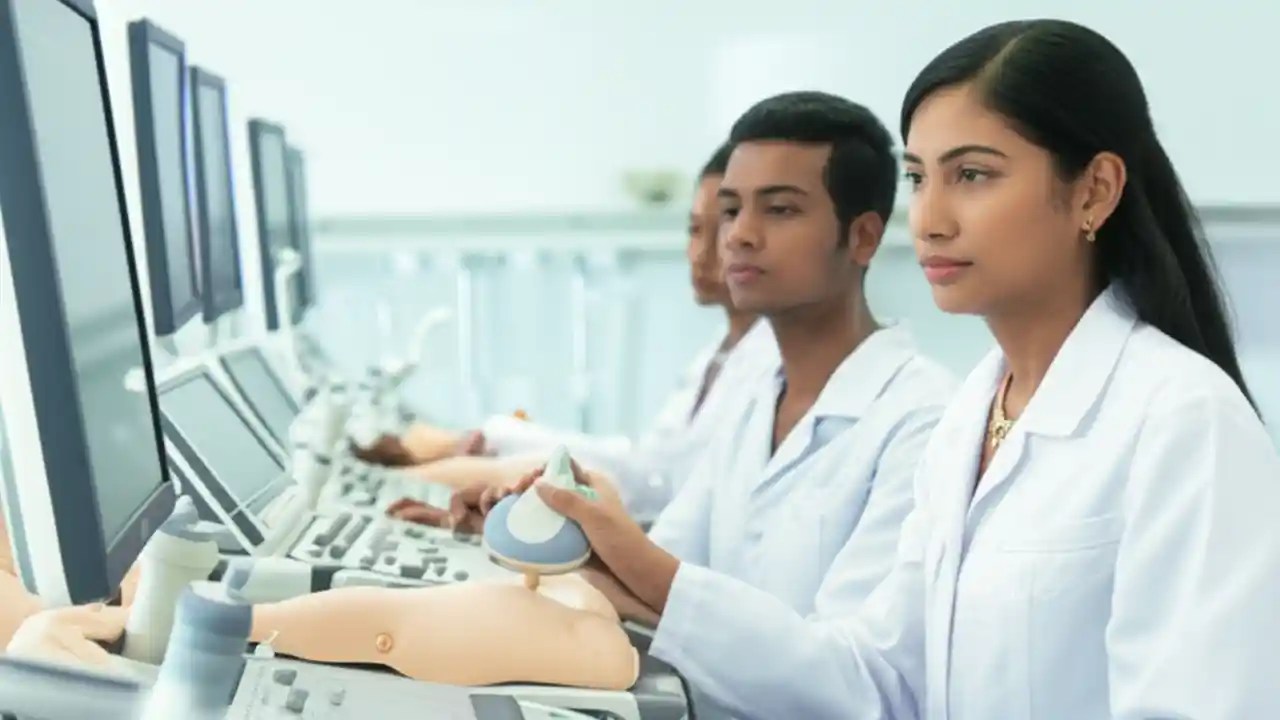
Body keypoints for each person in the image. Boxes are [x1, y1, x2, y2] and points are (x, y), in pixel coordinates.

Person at [501, 20, 1280, 719]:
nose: (931, 218)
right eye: (919, 177)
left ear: (1095, 190)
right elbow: (875, 682)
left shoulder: (1182, 422)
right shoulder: (975, 417)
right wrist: (645, 578)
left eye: (972, 175)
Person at [437, 91, 956, 717]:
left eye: (781, 210)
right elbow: (671, 564)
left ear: (864, 237)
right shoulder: (756, 391)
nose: (739, 237)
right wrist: (558, 536)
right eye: (731, 210)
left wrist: (629, 552)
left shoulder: (921, 421)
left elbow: (852, 683)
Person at [385, 143, 781, 523]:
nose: (704, 254)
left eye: (722, 233)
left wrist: (500, 443)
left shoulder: (771, 366)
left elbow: (654, 486)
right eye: (695, 230)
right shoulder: (720, 351)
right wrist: (501, 437)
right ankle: (391, 482)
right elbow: (648, 464)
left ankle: (388, 485)